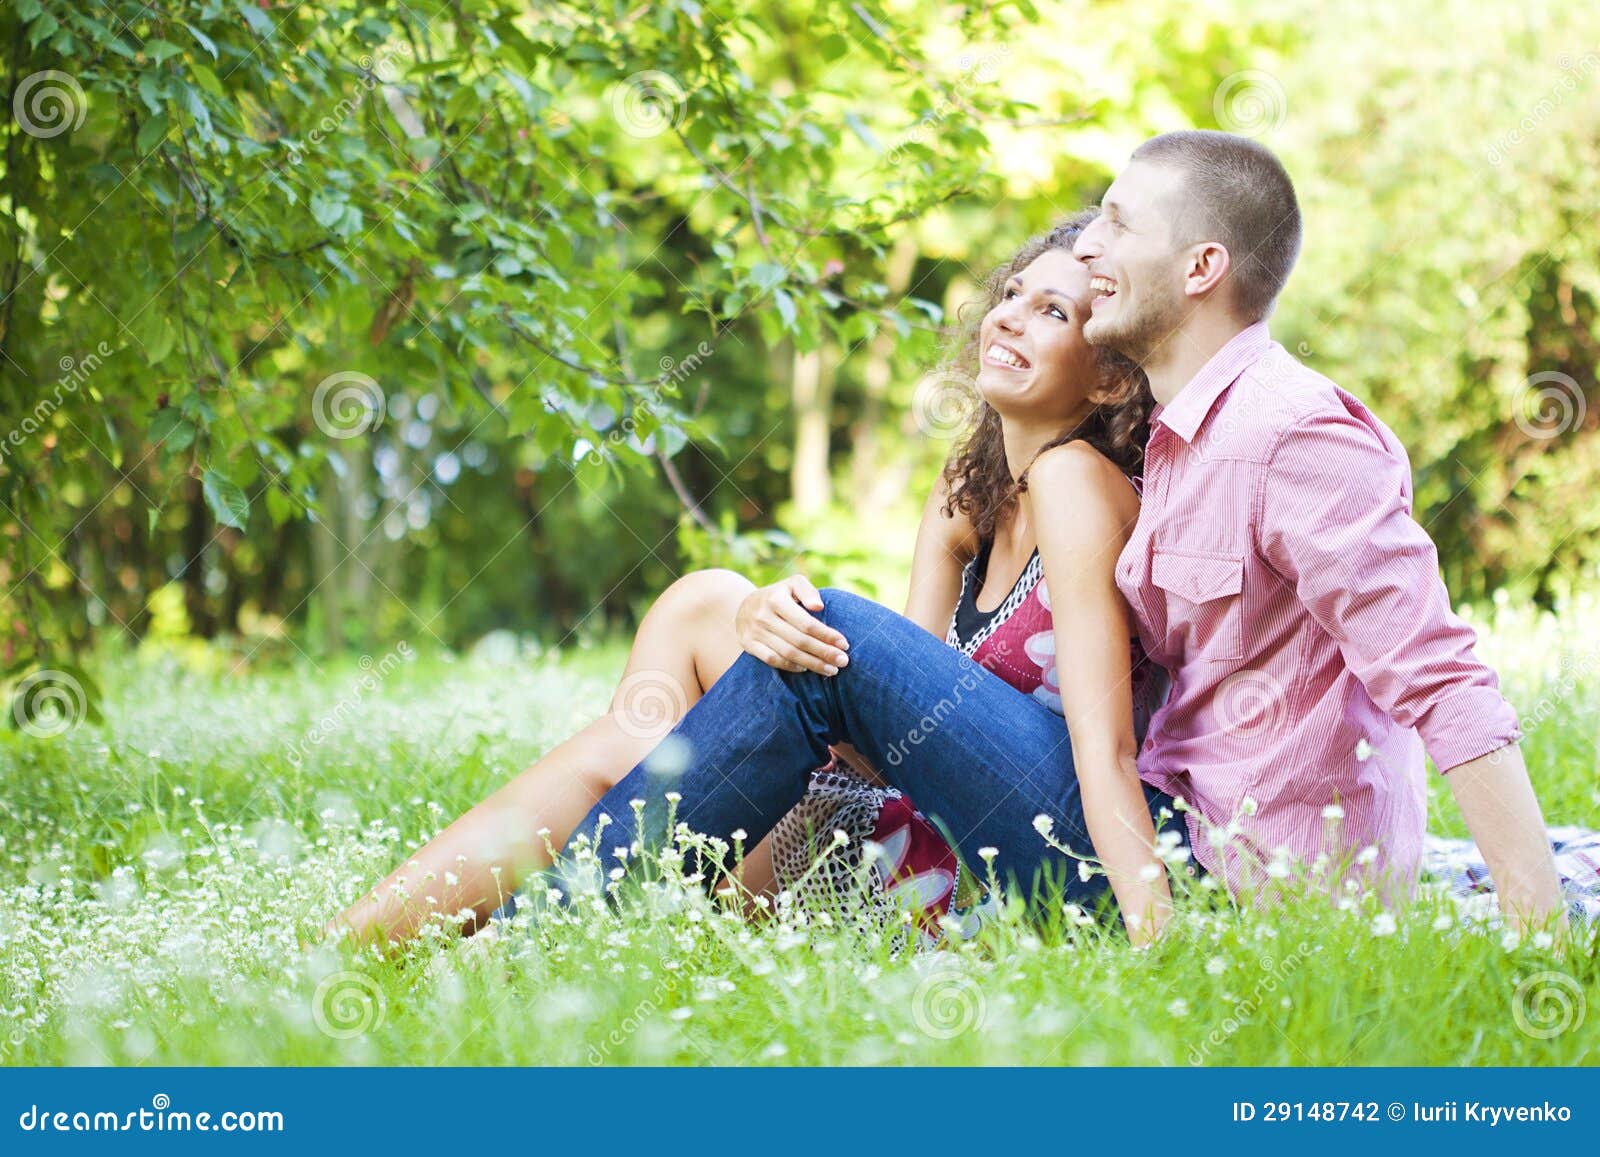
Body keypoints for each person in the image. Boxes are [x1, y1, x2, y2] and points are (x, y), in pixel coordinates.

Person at [325, 209, 1186, 949]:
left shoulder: (1080, 482)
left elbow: (1105, 750)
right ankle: (417, 939)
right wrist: (776, 629)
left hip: (993, 869)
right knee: (704, 609)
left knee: (666, 734)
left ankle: (458, 944)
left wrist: (1155, 936)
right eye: (1009, 297)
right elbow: (886, 734)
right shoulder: (971, 487)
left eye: (1051, 311)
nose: (1007, 320)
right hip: (910, 818)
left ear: (1109, 372)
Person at [1067, 130, 1564, 926]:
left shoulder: (1291, 433)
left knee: (849, 640)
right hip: (1173, 812)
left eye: (1118, 224)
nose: (1086, 244)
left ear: (1202, 267)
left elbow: (1437, 673)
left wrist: (1540, 930)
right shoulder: (1177, 437)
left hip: (1245, 868)